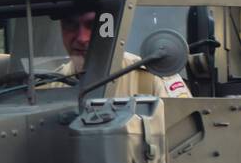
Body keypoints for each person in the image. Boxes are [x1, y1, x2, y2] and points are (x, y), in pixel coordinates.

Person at [56, 10, 190, 98]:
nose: (81, 38)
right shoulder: (49, 84)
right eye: (70, 25)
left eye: (93, 25)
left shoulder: (152, 78)